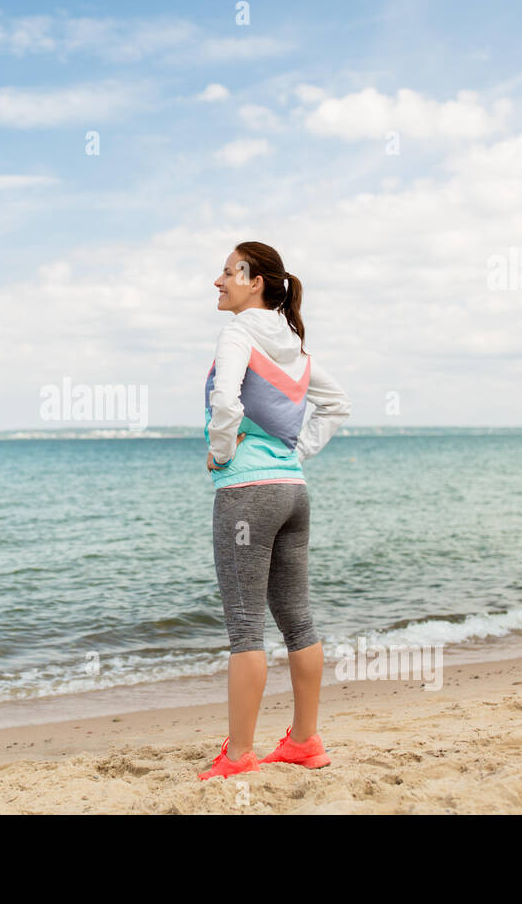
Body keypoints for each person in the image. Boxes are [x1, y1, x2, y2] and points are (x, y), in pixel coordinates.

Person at [198, 240, 352, 781]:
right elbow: (336, 403)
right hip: (293, 491)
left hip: (247, 492)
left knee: (245, 628)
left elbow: (227, 401)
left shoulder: (238, 332)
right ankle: (306, 742)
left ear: (254, 280)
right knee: (298, 621)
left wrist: (222, 454)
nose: (217, 282)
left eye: (226, 272)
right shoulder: (291, 340)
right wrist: (296, 452)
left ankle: (239, 755)